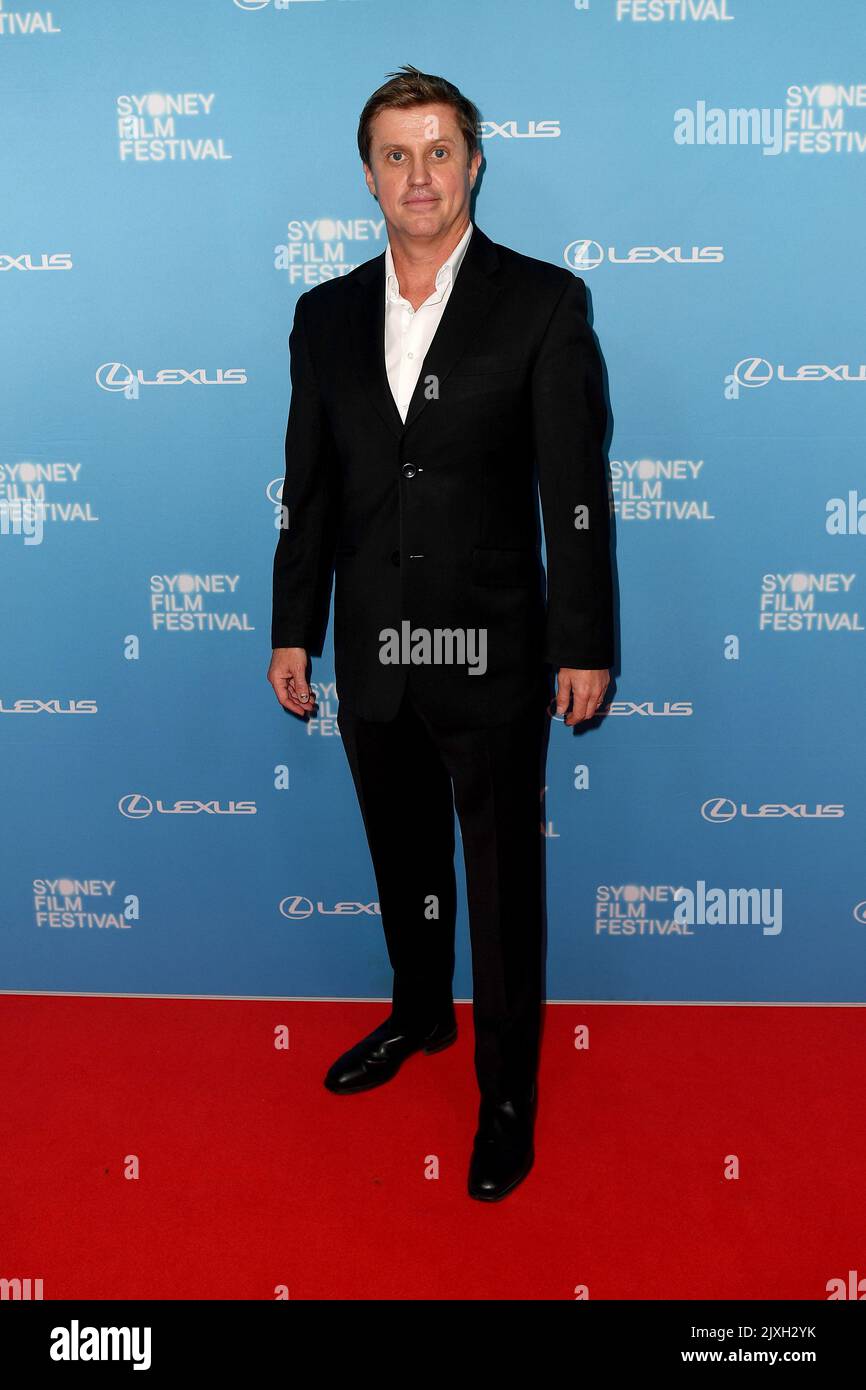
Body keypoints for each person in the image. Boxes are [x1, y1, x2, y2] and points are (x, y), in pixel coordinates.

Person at [267, 65, 614, 1201]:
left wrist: (583, 640)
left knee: (503, 885)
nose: (418, 174)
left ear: (473, 163)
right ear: (367, 175)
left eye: (437, 150)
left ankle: (507, 1094)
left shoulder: (542, 304)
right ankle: (420, 1016)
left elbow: (574, 491)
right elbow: (307, 492)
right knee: (404, 858)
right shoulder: (321, 316)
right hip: (372, 650)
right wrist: (292, 630)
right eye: (394, 154)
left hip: (496, 655)